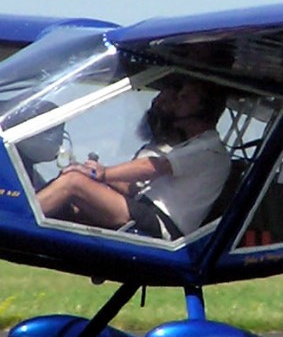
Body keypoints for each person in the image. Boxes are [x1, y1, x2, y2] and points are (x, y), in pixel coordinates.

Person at [35, 77, 230, 239]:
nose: (176, 103)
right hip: (146, 211)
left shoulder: (208, 148)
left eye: (184, 98)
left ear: (205, 107)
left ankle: (19, 217)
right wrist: (88, 173)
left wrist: (103, 173)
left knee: (73, 183)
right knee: (76, 190)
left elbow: (153, 166)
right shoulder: (195, 145)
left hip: (162, 224)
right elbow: (135, 186)